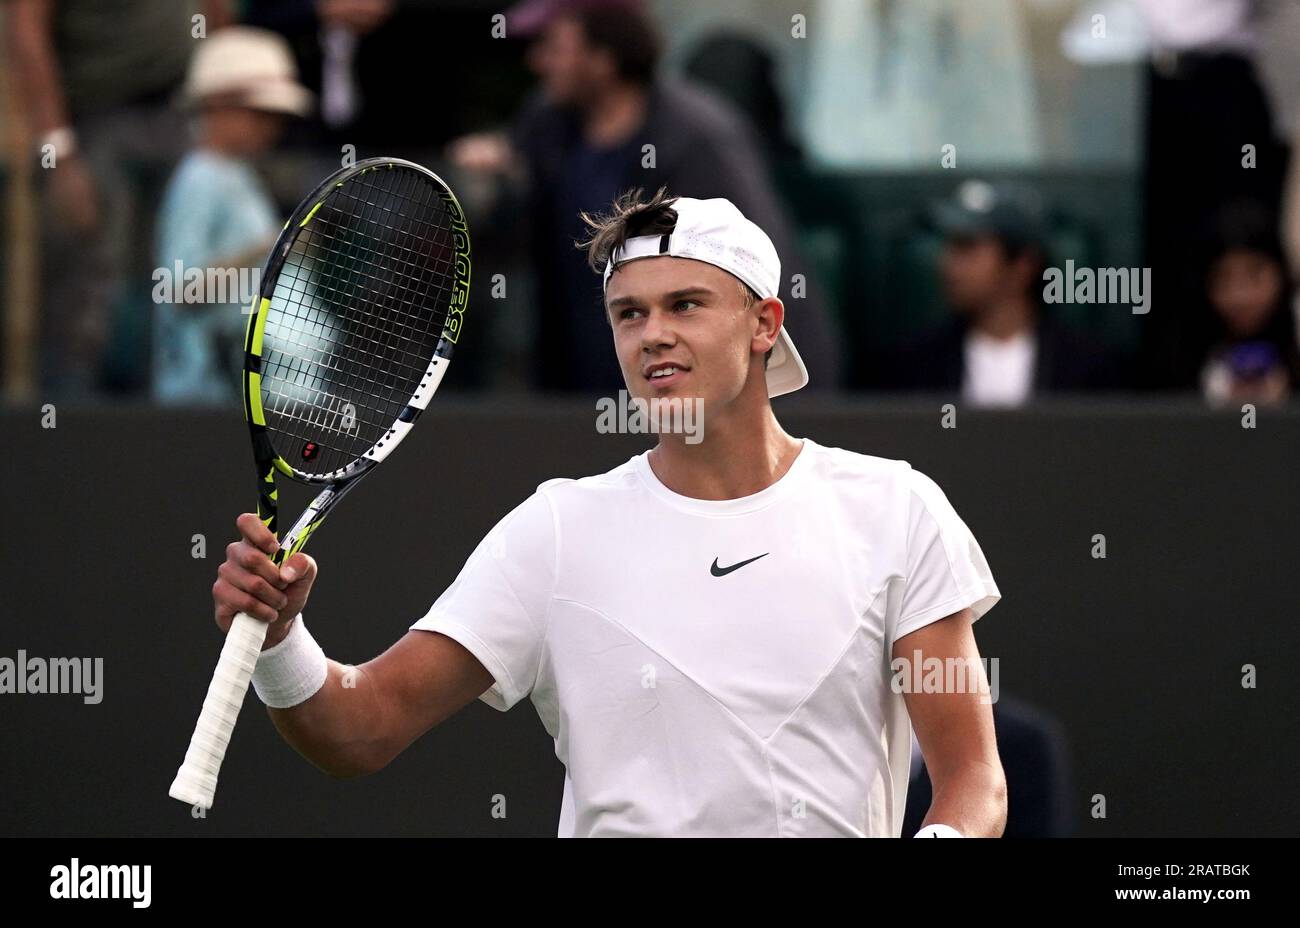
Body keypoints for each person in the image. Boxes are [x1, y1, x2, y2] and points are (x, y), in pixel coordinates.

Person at [210, 189, 1006, 837]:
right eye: (630, 314)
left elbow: (973, 782)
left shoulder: (897, 510)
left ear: (765, 323)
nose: (653, 335)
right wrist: (280, 640)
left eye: (686, 304)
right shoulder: (555, 532)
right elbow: (361, 729)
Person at [450, 0, 840, 392]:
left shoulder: (698, 139)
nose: (538, 61)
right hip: (583, 390)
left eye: (553, 46)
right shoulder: (547, 123)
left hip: (704, 395)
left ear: (603, 55)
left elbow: (758, 276)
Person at [152, 27, 312, 405]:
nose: (271, 127)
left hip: (266, 402)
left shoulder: (239, 174)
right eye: (259, 113)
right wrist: (272, 247)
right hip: (209, 403)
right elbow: (182, 292)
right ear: (216, 104)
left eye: (277, 116)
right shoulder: (199, 179)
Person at [891, 180, 1126, 406]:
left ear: (1022, 265)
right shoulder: (913, 366)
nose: (948, 264)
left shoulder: (1087, 369)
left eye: (967, 247)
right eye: (949, 247)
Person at [1183, 200, 1300, 406]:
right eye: (1224, 278)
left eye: (1255, 275)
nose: (1240, 296)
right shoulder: (1185, 357)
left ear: (1282, 273)